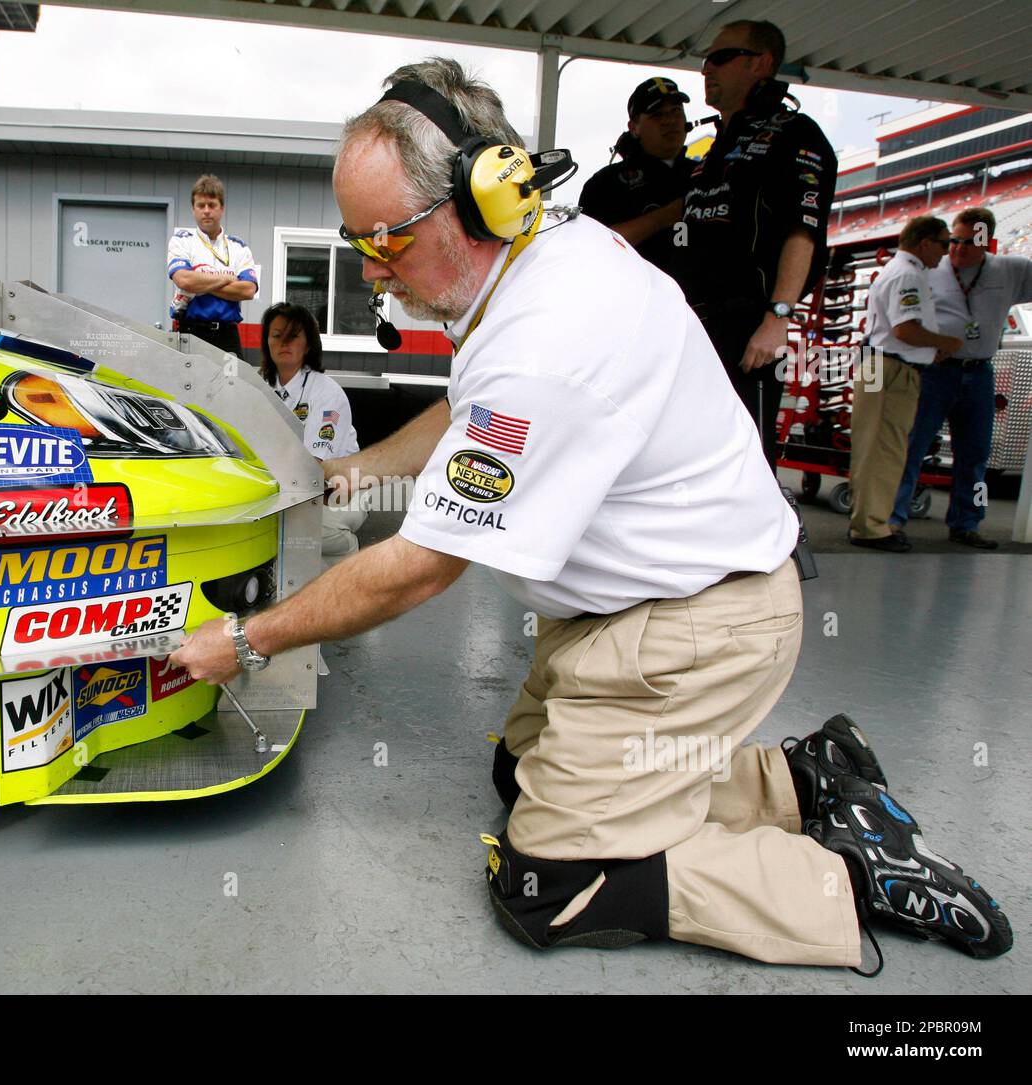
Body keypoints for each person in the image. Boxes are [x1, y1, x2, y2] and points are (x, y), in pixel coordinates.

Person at [169, 59, 1010, 970]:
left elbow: (422, 564)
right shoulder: (543, 252)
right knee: (516, 770)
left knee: (547, 879)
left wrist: (248, 640)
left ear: (480, 200)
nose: (373, 268)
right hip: (638, 606)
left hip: (701, 624)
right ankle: (811, 779)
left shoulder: (545, 336)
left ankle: (850, 878)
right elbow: (471, 408)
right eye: (358, 241)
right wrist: (355, 470)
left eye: (387, 241)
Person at [678, 20, 837, 471]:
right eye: (707, 59)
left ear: (762, 64)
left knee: (743, 458)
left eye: (723, 57)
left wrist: (777, 318)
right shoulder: (710, 149)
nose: (708, 67)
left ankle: (759, 540)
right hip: (695, 325)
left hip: (749, 328)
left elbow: (802, 231)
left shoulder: (794, 133)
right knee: (690, 452)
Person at [890, 207, 1032, 549]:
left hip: (980, 373)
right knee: (911, 447)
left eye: (970, 242)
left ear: (987, 241)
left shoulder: (1012, 270)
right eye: (953, 241)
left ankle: (968, 523)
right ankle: (892, 519)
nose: (958, 249)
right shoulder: (928, 269)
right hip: (935, 372)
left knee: (976, 454)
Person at [851, 216, 962, 552]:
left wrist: (930, 348)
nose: (947, 252)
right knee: (884, 449)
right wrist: (945, 343)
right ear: (924, 242)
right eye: (944, 244)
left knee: (875, 448)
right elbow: (905, 330)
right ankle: (871, 528)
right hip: (891, 369)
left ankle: (870, 521)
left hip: (881, 364)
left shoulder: (901, 271)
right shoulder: (908, 274)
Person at [259, 301, 367, 557]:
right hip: (282, 489)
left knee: (297, 530)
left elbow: (314, 466)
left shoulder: (326, 392)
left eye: (293, 336)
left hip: (338, 492)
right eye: (276, 336)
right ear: (267, 343)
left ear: (307, 345)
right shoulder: (256, 387)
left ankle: (347, 553)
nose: (284, 343)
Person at [578, 77, 695, 276]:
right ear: (634, 127)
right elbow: (590, 247)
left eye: (676, 111)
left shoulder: (706, 172)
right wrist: (663, 217)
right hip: (633, 297)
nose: (670, 121)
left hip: (699, 300)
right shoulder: (606, 183)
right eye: (657, 115)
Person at [167, 174, 257, 355]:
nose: (206, 210)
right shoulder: (182, 241)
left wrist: (200, 283)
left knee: (232, 383)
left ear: (221, 208)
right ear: (193, 209)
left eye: (212, 205)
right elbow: (184, 280)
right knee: (190, 384)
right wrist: (225, 278)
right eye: (201, 205)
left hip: (228, 334)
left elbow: (247, 290)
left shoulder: (238, 247)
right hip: (191, 332)